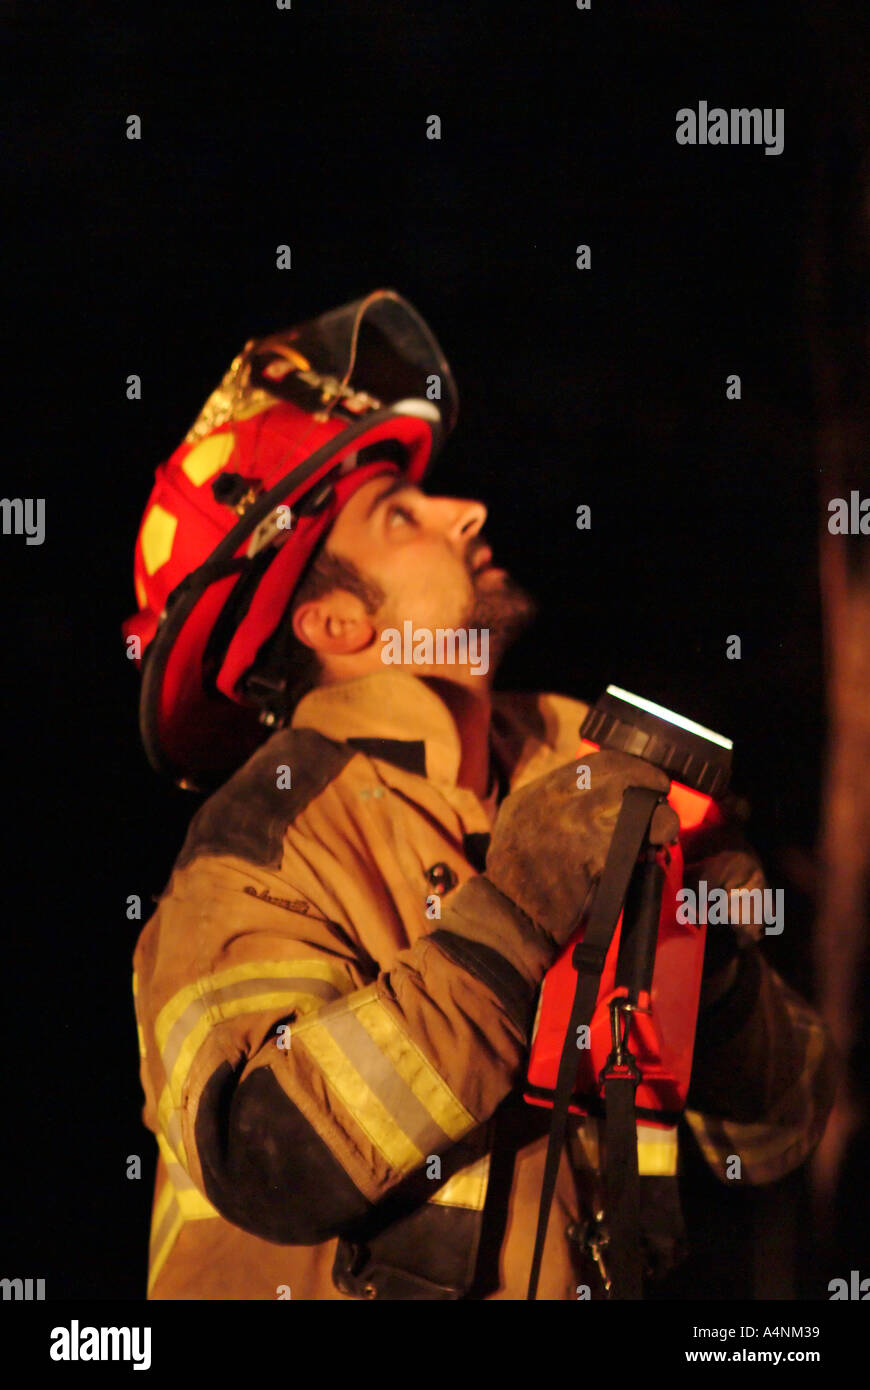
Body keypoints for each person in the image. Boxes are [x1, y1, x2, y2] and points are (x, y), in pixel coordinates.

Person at [126, 291, 835, 1300]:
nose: (468, 510)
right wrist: (520, 912)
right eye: (400, 514)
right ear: (328, 619)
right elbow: (264, 1149)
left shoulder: (574, 776)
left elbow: (775, 1136)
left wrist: (706, 963)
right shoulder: (262, 844)